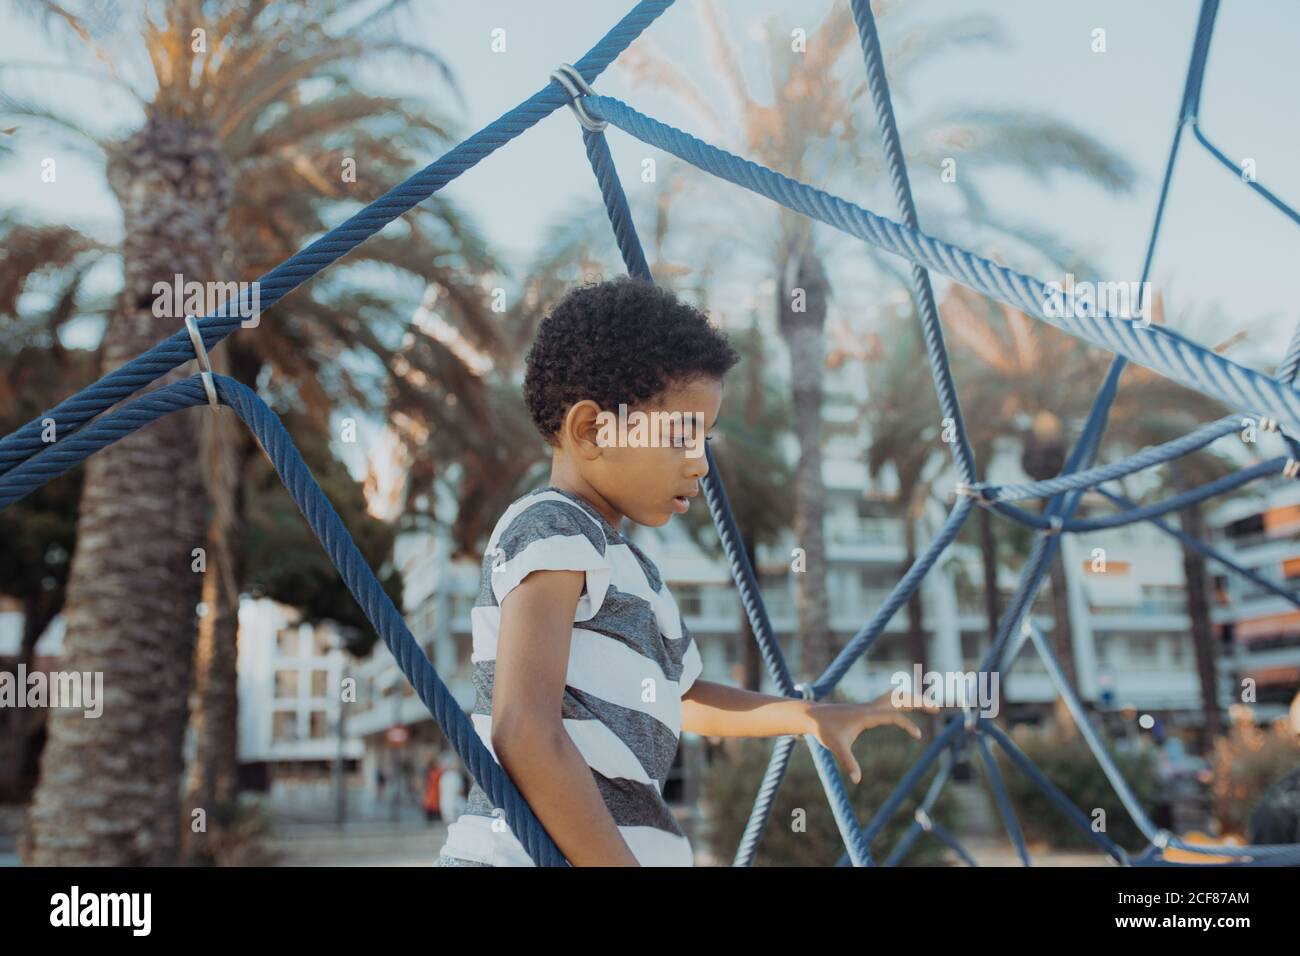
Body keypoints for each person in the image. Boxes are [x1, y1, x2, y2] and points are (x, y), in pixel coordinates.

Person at [433, 277, 926, 868]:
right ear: (593, 430)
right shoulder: (553, 528)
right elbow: (524, 730)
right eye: (680, 437)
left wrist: (805, 715)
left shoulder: (633, 567)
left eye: (706, 438)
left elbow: (680, 695)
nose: (700, 463)